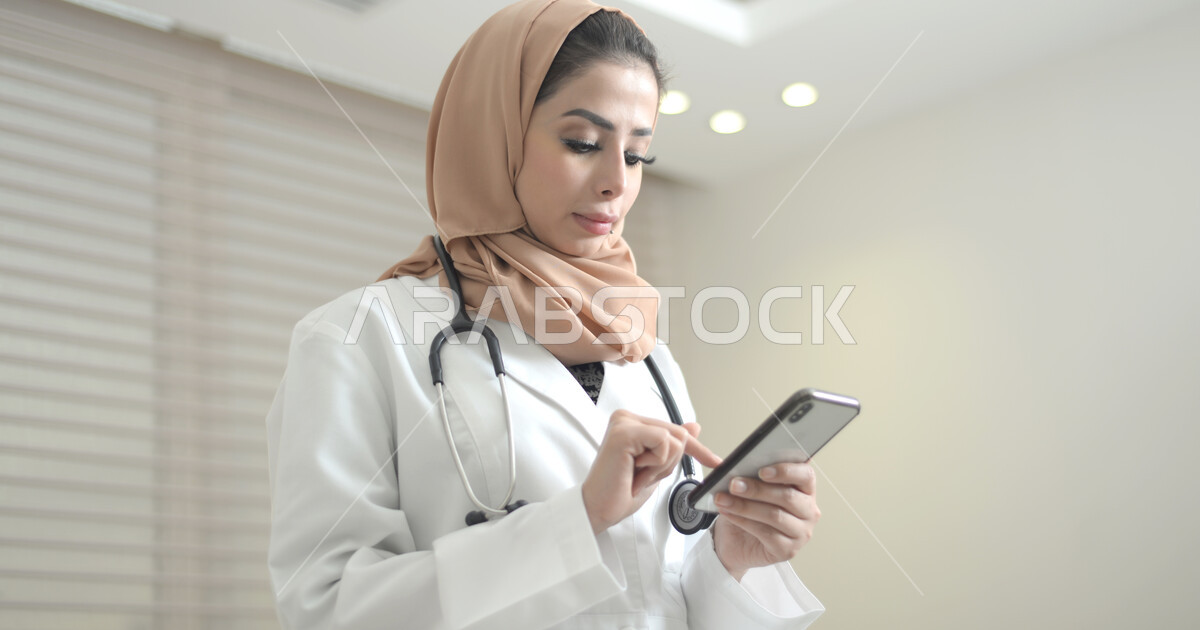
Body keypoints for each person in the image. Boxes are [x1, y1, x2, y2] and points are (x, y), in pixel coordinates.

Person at [265, 1, 825, 628]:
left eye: (637, 155)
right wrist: (576, 521)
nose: (617, 182)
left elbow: (660, 596)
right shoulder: (359, 337)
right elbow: (326, 609)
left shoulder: (643, 353)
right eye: (583, 142)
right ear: (494, 138)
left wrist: (731, 559)